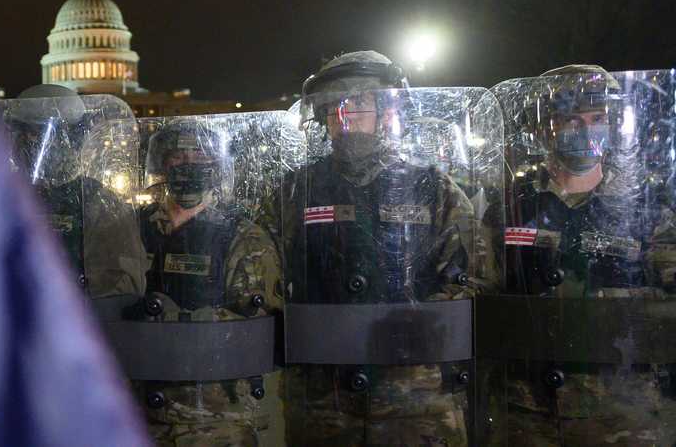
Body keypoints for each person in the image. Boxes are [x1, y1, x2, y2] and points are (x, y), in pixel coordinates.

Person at [283, 51, 489, 446]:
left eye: (359, 104)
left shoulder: (436, 189)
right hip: (325, 398)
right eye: (333, 108)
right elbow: (273, 276)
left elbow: (475, 280)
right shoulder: (295, 191)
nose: (344, 118)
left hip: (416, 397)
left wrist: (408, 326)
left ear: (389, 111)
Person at [496, 65, 676, 445]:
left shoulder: (647, 210)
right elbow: (483, 291)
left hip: (622, 410)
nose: (586, 130)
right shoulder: (511, 205)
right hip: (527, 410)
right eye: (571, 119)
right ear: (547, 129)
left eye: (597, 118)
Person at [130, 117, 282, 446]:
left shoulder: (242, 235)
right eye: (178, 156)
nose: (188, 164)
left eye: (198, 155)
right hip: (137, 414)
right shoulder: (134, 229)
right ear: (162, 163)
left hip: (214, 419)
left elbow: (251, 328)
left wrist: (168, 321)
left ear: (215, 164)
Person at [0, 84, 147, 300]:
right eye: (20, 133)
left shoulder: (98, 202)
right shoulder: (5, 198)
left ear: (68, 140)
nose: (24, 143)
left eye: (35, 134)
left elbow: (122, 285)